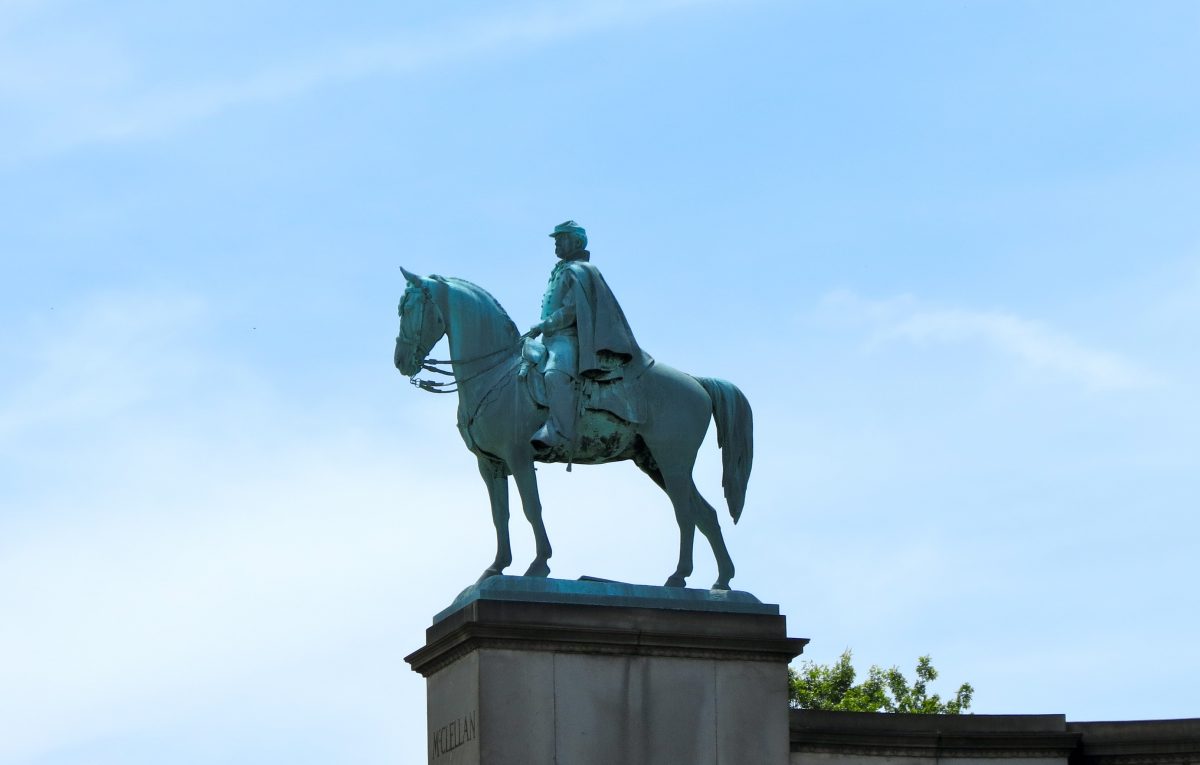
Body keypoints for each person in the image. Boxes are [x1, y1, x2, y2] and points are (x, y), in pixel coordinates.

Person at [526, 221, 649, 451]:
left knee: (554, 373)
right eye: (556, 239)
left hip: (569, 338)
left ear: (576, 242)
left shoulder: (580, 270)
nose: (556, 244)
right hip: (552, 338)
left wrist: (545, 324)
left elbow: (572, 310)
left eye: (560, 239)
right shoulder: (561, 270)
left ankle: (559, 430)